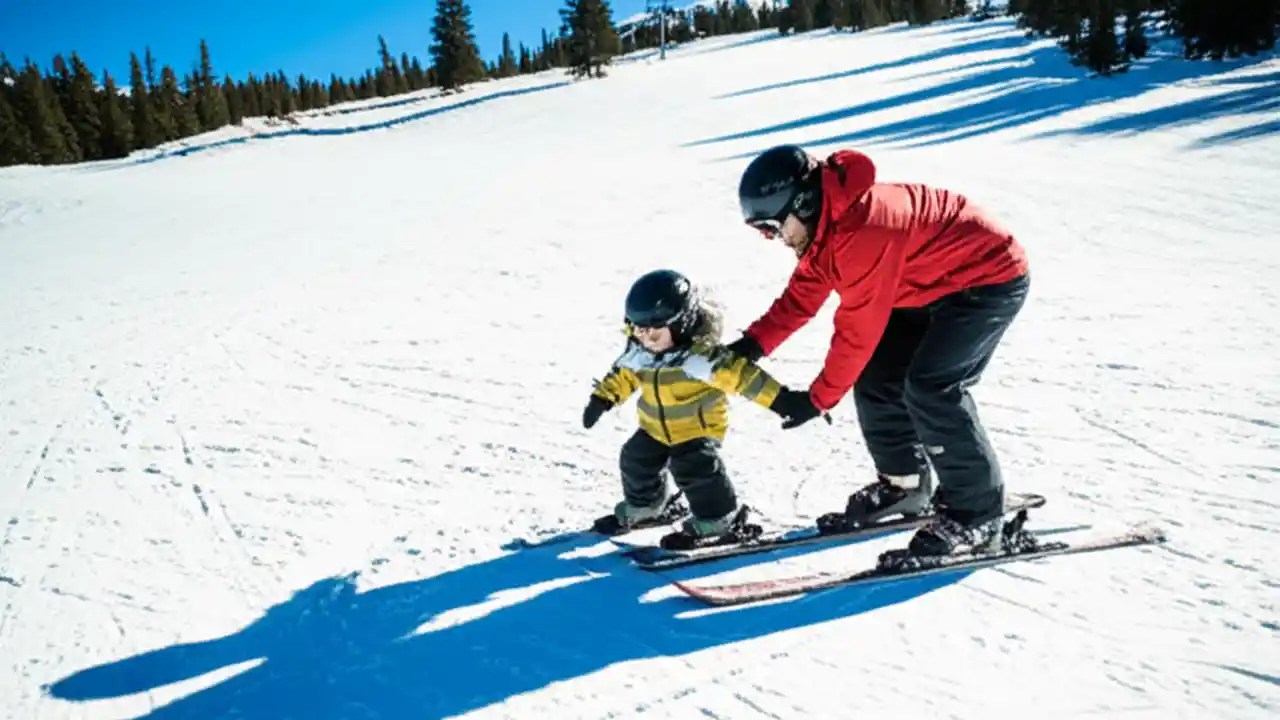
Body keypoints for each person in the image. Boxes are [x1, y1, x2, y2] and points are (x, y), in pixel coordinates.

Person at [727, 144, 1030, 558]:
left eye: (772, 226)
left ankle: (978, 516)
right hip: (924, 286)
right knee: (878, 378)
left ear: (803, 202)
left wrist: (817, 400)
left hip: (985, 279)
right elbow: (803, 295)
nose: (772, 238)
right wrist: (755, 342)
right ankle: (904, 486)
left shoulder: (865, 228)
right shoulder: (827, 224)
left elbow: (858, 329)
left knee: (932, 388)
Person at [582, 268, 791, 550]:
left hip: (697, 429)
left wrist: (783, 402)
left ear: (681, 324)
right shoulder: (640, 354)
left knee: (694, 467)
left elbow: (745, 378)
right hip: (655, 427)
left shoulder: (700, 359)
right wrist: (602, 399)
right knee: (635, 458)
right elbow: (623, 377)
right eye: (640, 330)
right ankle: (647, 506)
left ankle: (721, 518)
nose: (647, 338)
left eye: (655, 331)